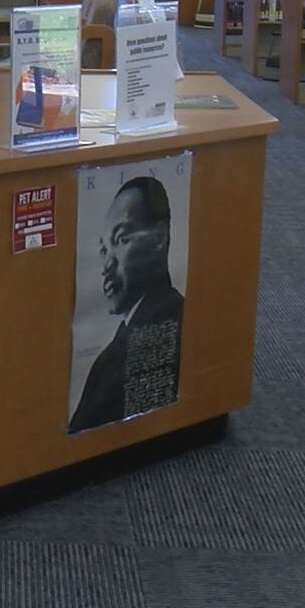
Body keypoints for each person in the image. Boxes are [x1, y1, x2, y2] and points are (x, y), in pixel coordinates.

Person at [68, 176, 184, 433]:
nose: (106, 266)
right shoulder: (116, 347)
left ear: (160, 237)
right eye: (103, 250)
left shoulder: (172, 318)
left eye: (121, 240)